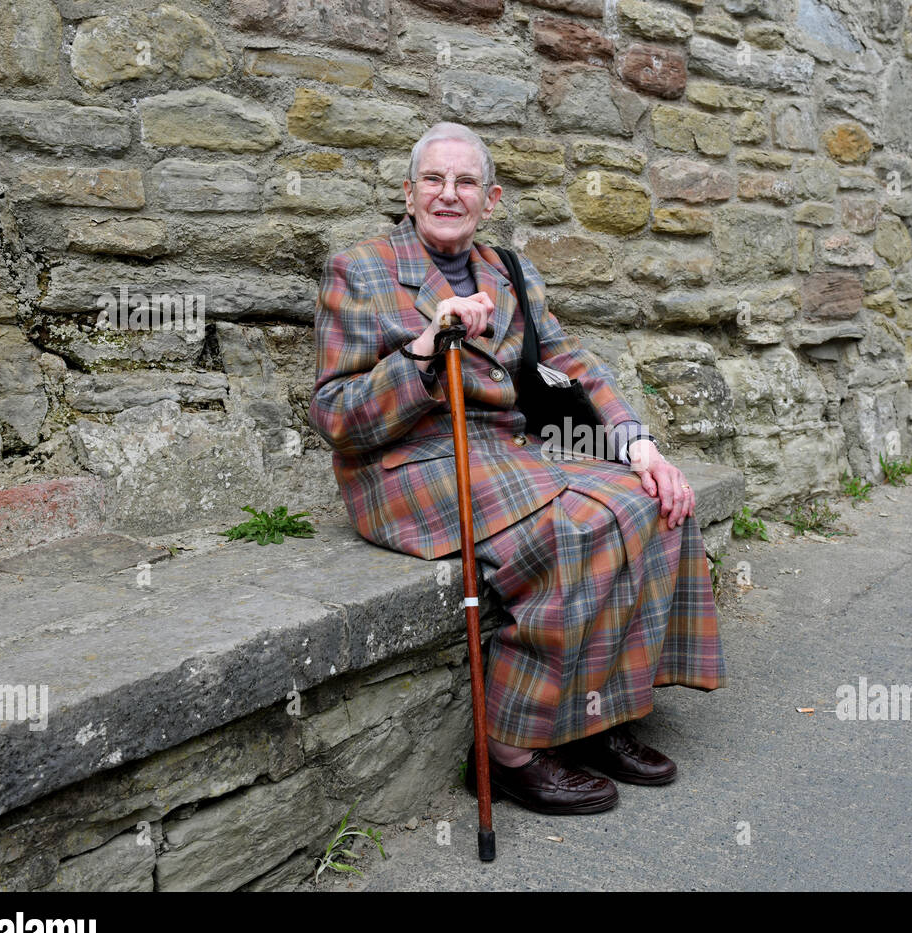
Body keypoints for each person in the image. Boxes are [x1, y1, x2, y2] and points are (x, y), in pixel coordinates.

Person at [308, 121, 727, 816]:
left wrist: (640, 447)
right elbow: (338, 418)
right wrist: (424, 345)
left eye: (465, 181)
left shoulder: (511, 270)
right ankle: (509, 749)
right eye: (434, 181)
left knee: (653, 502)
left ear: (491, 198)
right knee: (573, 524)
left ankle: (599, 715)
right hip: (408, 463)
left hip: (508, 451)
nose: (449, 194)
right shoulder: (361, 269)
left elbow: (571, 364)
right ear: (408, 194)